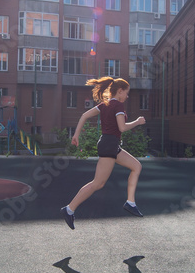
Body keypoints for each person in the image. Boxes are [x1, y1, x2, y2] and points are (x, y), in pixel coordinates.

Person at [60, 77, 146, 229]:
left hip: (110, 144)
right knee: (98, 183)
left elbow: (84, 116)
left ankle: (130, 202)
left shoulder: (104, 105)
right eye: (126, 93)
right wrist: (137, 122)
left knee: (136, 166)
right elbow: (122, 128)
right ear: (120, 91)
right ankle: (69, 209)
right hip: (109, 145)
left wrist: (76, 135)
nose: (127, 96)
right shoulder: (118, 105)